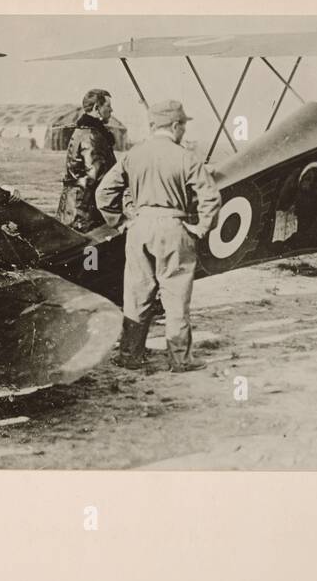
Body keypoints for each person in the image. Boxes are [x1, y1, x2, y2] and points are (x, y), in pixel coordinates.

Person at [95, 99, 222, 372]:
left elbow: (104, 194)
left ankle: (130, 356)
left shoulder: (133, 154)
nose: (184, 131)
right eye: (183, 125)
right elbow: (210, 198)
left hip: (139, 228)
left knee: (137, 294)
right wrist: (201, 228)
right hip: (174, 228)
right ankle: (179, 360)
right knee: (175, 296)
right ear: (175, 126)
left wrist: (120, 222)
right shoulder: (187, 157)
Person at [57, 89, 117, 231]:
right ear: (97, 108)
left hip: (74, 206)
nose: (111, 110)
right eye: (108, 106)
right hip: (84, 212)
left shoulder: (82, 131)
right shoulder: (91, 136)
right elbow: (96, 176)